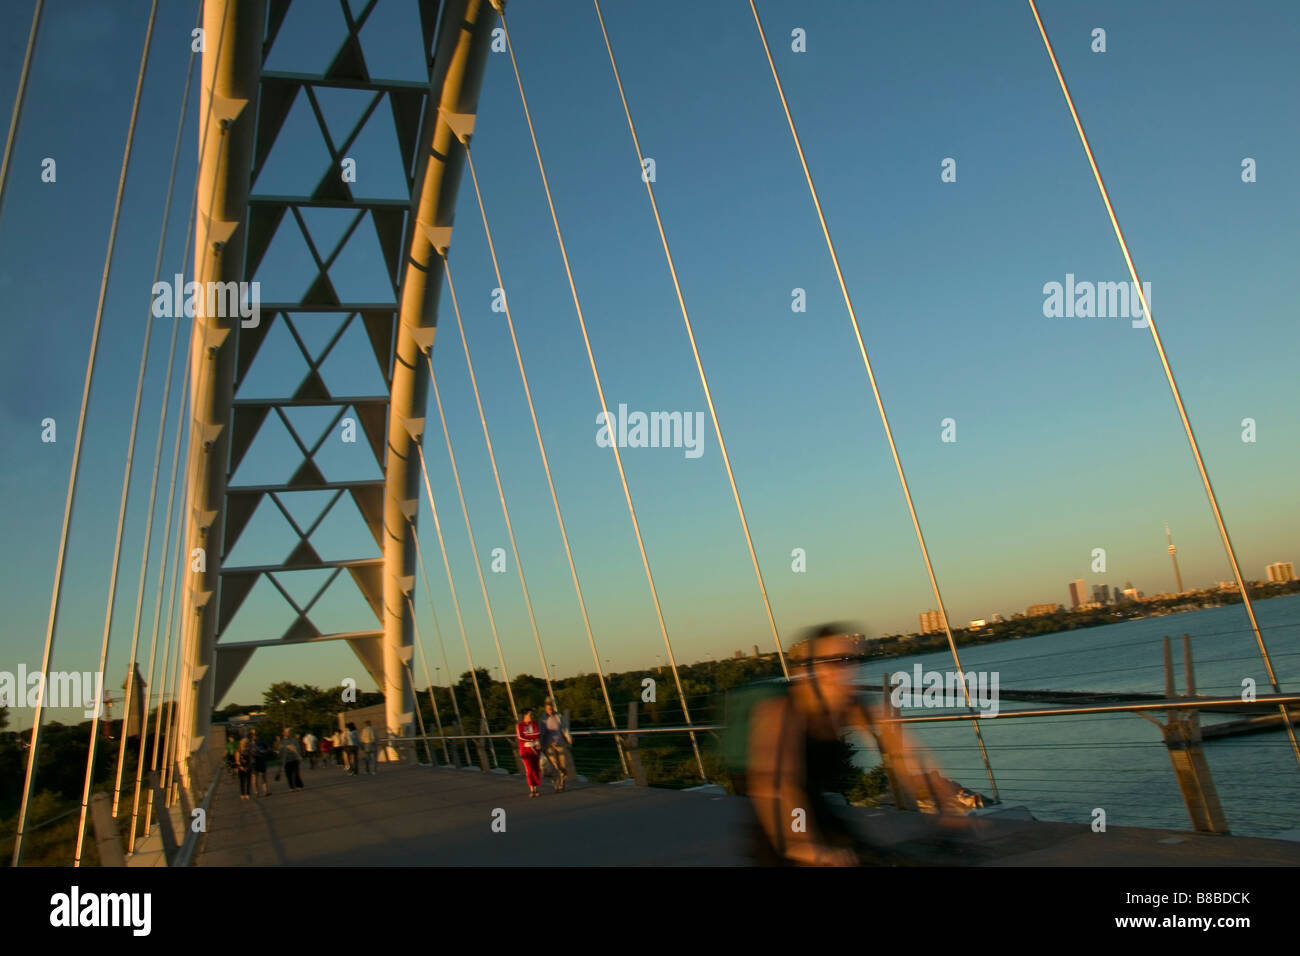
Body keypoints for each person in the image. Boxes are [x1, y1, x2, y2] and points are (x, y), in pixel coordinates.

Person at [744, 625, 966, 866]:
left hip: (821, 813)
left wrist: (944, 801)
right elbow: (777, 786)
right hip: (784, 825)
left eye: (850, 660)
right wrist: (803, 846)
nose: (844, 669)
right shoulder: (782, 710)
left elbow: (905, 752)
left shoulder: (852, 703)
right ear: (811, 667)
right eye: (833, 662)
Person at [539, 699, 572, 792]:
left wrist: (569, 739)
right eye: (549, 709)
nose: (551, 710)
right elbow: (541, 732)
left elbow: (565, 729)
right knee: (554, 766)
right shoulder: (543, 719)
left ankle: (562, 781)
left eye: (552, 708)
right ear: (545, 709)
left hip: (560, 744)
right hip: (549, 745)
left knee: (563, 766)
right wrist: (540, 744)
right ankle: (557, 783)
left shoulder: (559, 717)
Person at [516, 707, 543, 797]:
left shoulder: (534, 724)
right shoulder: (520, 726)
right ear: (525, 715)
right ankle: (531, 789)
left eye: (532, 715)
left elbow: (538, 734)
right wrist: (532, 737)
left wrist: (529, 736)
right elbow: (521, 737)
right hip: (525, 750)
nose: (531, 716)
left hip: (535, 749)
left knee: (536, 768)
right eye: (530, 715)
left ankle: (536, 788)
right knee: (529, 769)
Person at [250, 729, 270, 796]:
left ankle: (265, 791)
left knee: (263, 776)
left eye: (256, 735)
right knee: (255, 777)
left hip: (261, 761)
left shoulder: (262, 743)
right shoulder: (250, 744)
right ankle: (256, 792)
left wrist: (264, 752)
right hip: (254, 762)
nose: (255, 737)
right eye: (253, 735)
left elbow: (268, 749)